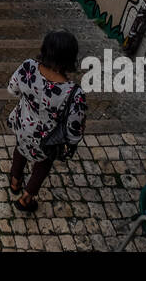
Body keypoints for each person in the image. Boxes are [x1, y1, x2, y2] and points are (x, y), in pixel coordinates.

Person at [6, 31, 87, 213]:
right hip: (46, 139)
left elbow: (12, 89)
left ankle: (14, 181)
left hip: (22, 125)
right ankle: (26, 199)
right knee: (42, 164)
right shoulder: (73, 93)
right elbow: (74, 133)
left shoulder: (28, 67)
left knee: (20, 149)